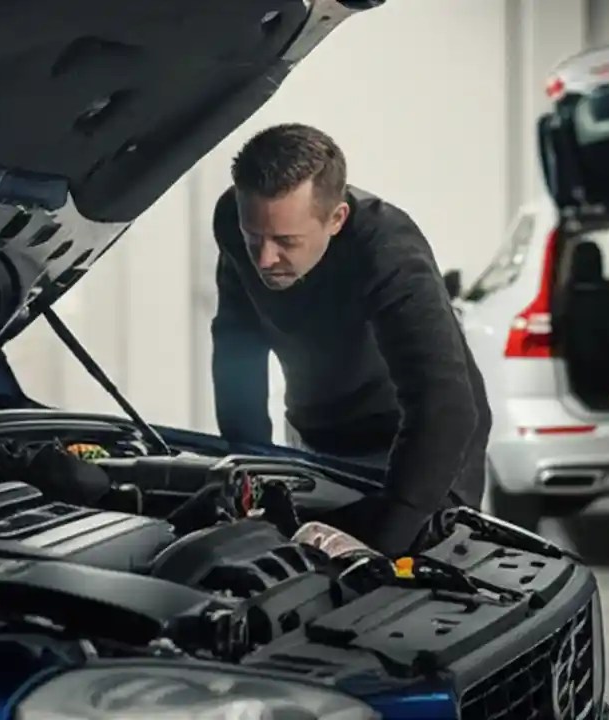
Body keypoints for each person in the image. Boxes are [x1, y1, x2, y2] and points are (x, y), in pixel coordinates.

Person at [210, 123, 491, 556]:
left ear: (337, 218)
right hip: (317, 435)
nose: (265, 259)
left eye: (286, 241)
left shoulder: (387, 248)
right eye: (254, 238)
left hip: (422, 443)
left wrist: (390, 534)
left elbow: (444, 403)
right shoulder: (232, 219)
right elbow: (235, 347)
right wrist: (251, 472)